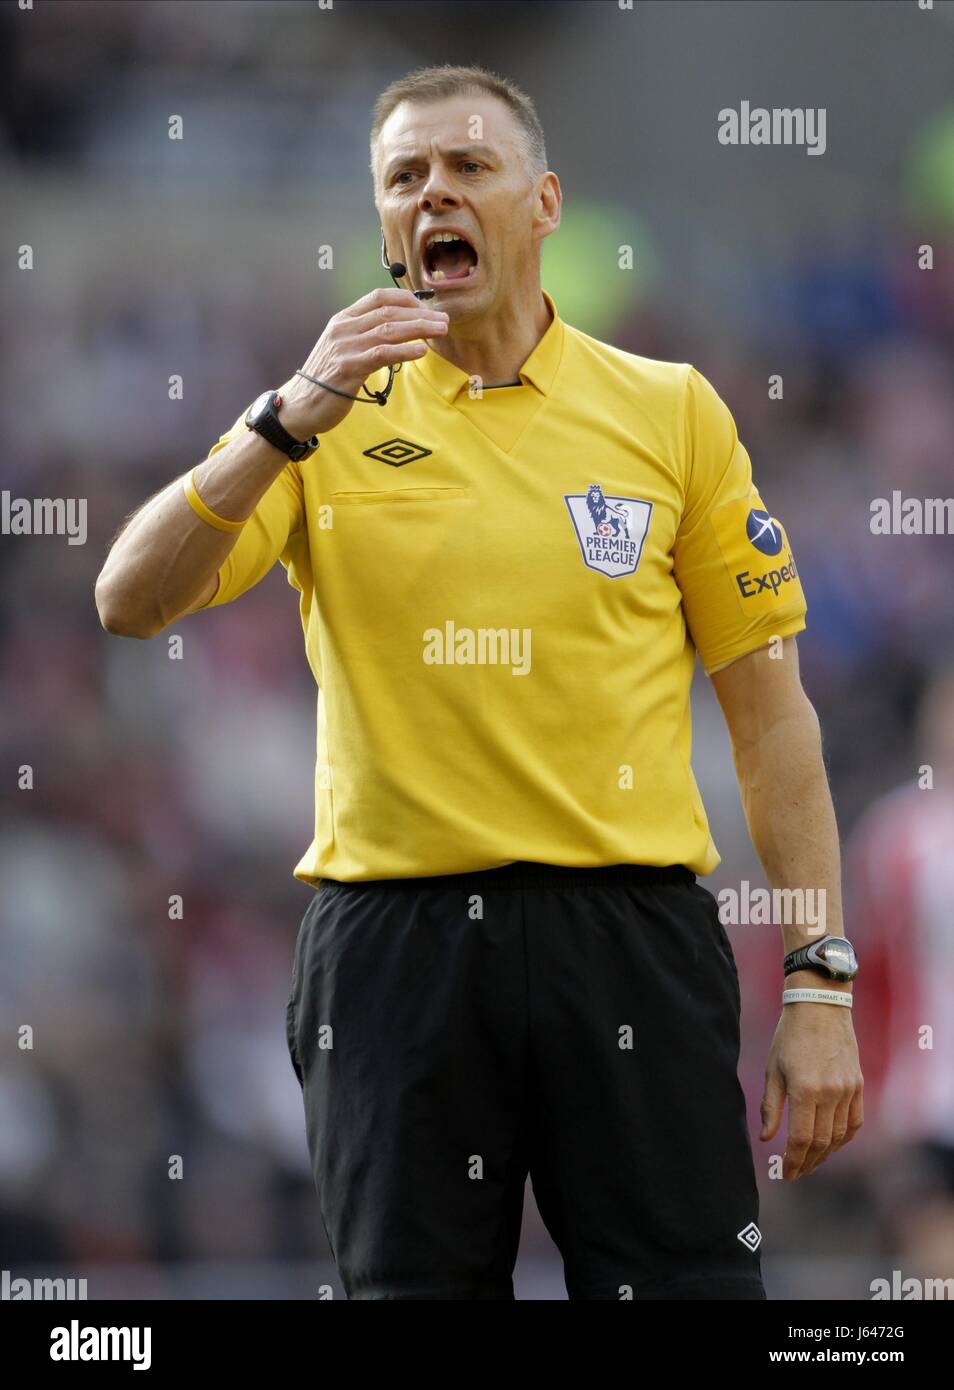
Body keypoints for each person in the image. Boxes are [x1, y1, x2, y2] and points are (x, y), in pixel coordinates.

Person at [94, 64, 863, 1301]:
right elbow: (128, 601)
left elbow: (773, 718)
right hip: (396, 947)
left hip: (628, 934)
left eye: (466, 167)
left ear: (543, 201)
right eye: (403, 178)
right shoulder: (317, 420)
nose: (433, 194)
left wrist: (819, 977)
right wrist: (284, 420)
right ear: (384, 223)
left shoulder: (669, 411)